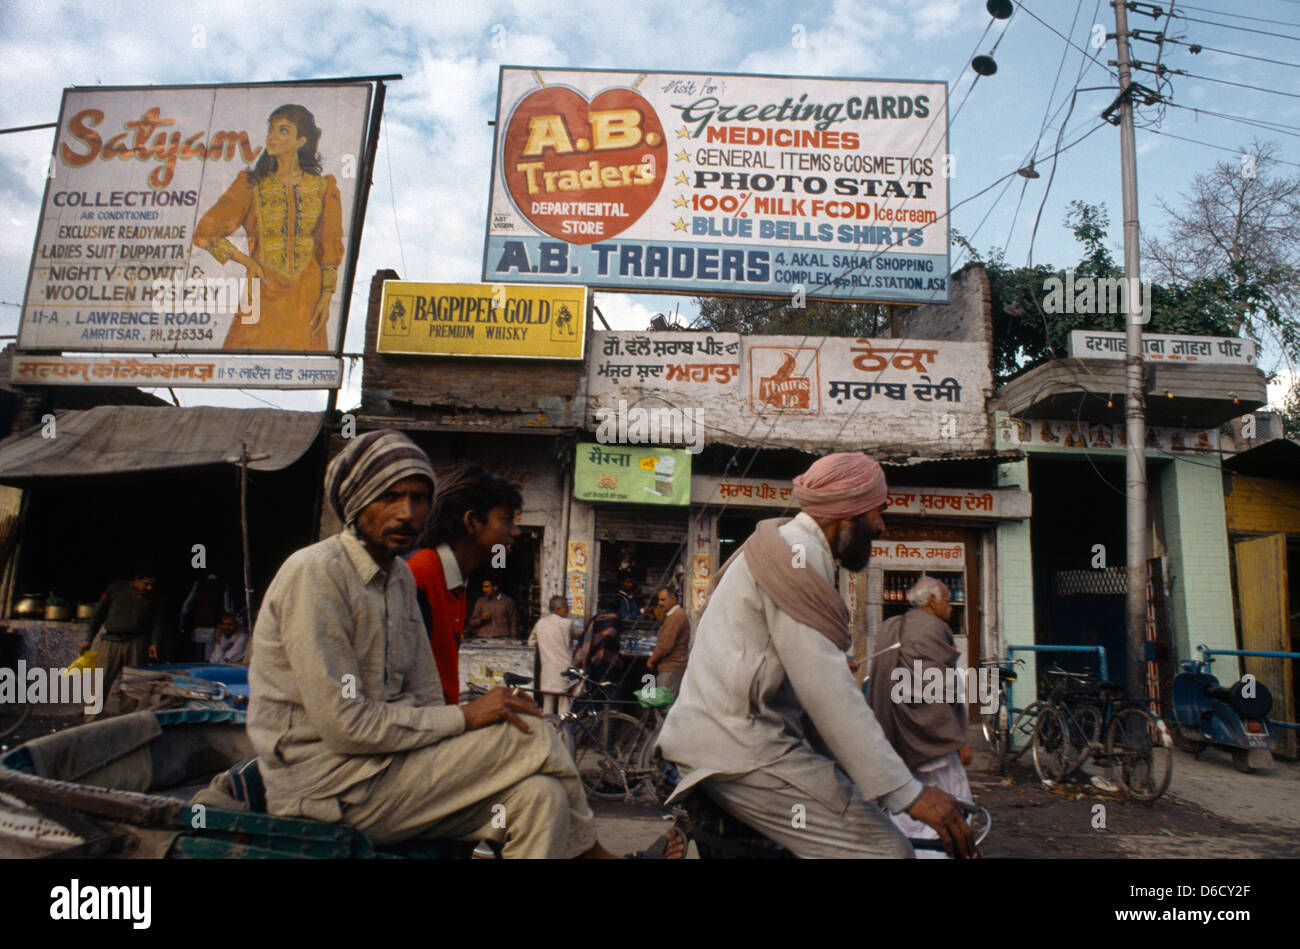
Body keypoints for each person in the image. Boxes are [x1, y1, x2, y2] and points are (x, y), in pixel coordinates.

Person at [247, 430, 682, 858]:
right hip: (328, 787)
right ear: (357, 501)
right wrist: (469, 718)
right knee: (537, 737)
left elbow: (426, 698)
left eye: (418, 498)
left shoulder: (397, 579)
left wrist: (469, 722)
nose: (407, 513)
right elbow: (344, 725)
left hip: (392, 772)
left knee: (541, 797)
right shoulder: (317, 573)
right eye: (389, 497)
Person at [656, 452, 976, 859]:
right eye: (878, 512)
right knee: (886, 850)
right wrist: (906, 792)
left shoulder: (782, 547)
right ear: (848, 515)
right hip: (743, 750)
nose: (881, 527)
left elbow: (797, 675)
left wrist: (863, 779)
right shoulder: (798, 559)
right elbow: (828, 693)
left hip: (729, 741)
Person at [193, 104, 343, 352]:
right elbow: (205, 233)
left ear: (301, 140)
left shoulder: (324, 188)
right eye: (271, 129)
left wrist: (327, 295)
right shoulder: (251, 184)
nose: (272, 136)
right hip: (261, 289)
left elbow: (330, 246)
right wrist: (247, 261)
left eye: (283, 130)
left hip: (306, 294)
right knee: (240, 358)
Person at [868, 576, 972, 859]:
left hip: (897, 734)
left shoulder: (894, 626)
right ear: (931, 601)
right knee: (948, 797)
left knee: (906, 801)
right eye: (947, 601)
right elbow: (940, 690)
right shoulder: (934, 629)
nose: (950, 608)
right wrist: (957, 738)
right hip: (931, 739)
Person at [406, 466, 523, 705]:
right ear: (472, 522)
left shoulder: (456, 583)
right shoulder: (418, 580)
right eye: (507, 520)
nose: (516, 531)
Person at [81, 566, 167, 717]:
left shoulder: (153, 597)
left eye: (152, 584)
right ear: (136, 580)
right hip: (111, 642)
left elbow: (157, 623)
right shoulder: (116, 589)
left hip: (136, 642)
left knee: (131, 685)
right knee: (100, 682)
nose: (149, 587)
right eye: (146, 583)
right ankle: (90, 721)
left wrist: (154, 643)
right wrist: (88, 639)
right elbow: (97, 615)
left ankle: (125, 722)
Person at [528, 596, 575, 716]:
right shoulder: (567, 623)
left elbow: (531, 642)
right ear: (558, 609)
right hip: (563, 670)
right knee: (564, 707)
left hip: (547, 672)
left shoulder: (540, 623)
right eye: (566, 608)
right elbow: (579, 635)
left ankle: (548, 732)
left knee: (547, 706)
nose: (568, 611)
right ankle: (563, 733)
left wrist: (545, 646)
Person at [180, 570, 234, 662]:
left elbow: (187, 604)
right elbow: (228, 607)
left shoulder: (199, 584)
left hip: (199, 623)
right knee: (209, 655)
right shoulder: (222, 585)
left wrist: (182, 618)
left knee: (198, 654)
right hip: (212, 623)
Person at [646, 586, 690, 698]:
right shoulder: (671, 615)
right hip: (670, 667)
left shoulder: (676, 616)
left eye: (663, 600)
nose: (660, 603)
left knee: (664, 704)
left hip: (671, 667)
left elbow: (666, 645)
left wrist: (652, 660)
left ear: (673, 599)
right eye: (659, 600)